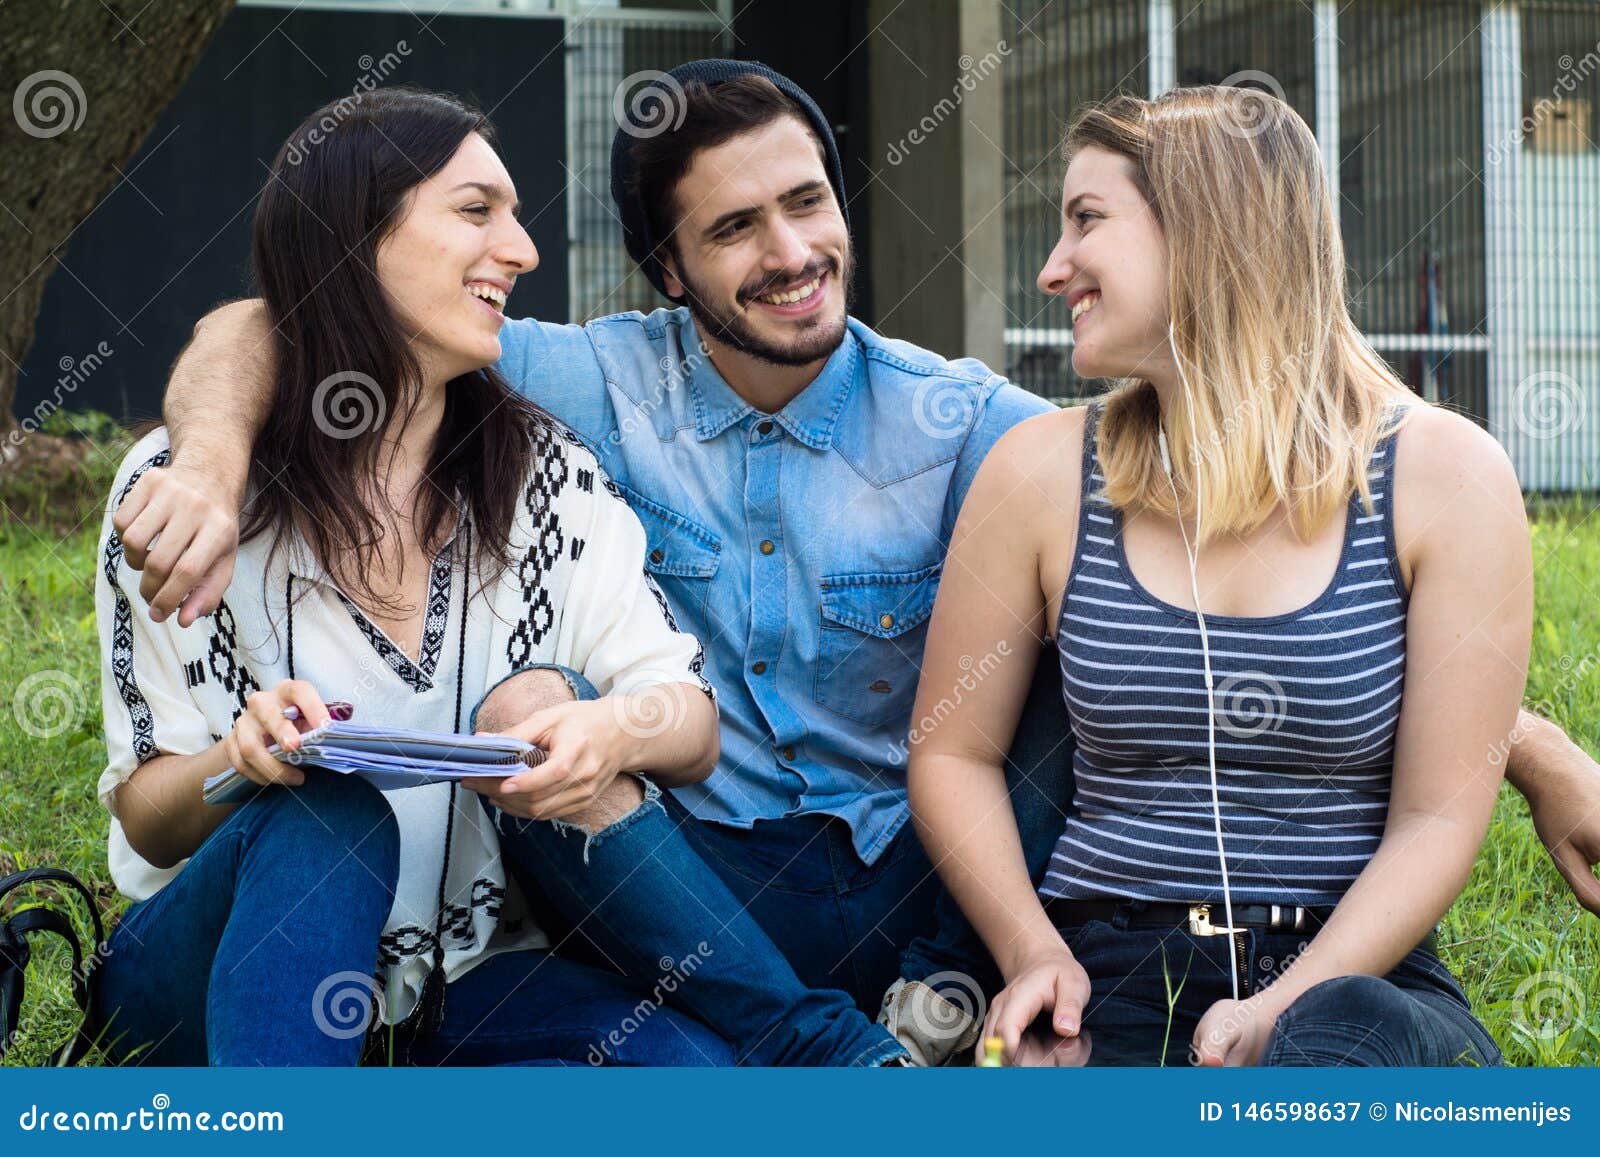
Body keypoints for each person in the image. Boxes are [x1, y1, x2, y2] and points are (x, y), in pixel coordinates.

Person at [114, 63, 1600, 1066]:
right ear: (668, 272)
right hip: (702, 877)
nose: (792, 250)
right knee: (545, 702)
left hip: (913, 875)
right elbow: (291, 324)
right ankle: (848, 1047)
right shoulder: (575, 383)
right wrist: (215, 461)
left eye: (809, 200)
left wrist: (1513, 744)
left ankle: (953, 1010)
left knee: (1058, 671)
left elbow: (1226, 595)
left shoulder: (969, 422)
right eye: (736, 229)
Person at [91, 86, 897, 1068]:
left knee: (691, 1071)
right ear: (351, 234)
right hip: (206, 969)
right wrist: (238, 761)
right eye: (476, 211)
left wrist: (606, 729)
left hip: (456, 981)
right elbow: (147, 814)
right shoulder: (183, 499)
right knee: (326, 815)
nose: (522, 250)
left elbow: (684, 717)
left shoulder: (546, 480)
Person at [908, 87, 1534, 1067]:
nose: (1050, 269)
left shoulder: (1448, 477)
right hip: (1108, 968)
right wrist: (1032, 952)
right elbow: (952, 752)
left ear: (1204, 226)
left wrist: (1280, 1003)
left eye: (1085, 222)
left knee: (1337, 1044)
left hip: (1361, 973)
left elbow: (1435, 816)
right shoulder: (1034, 474)